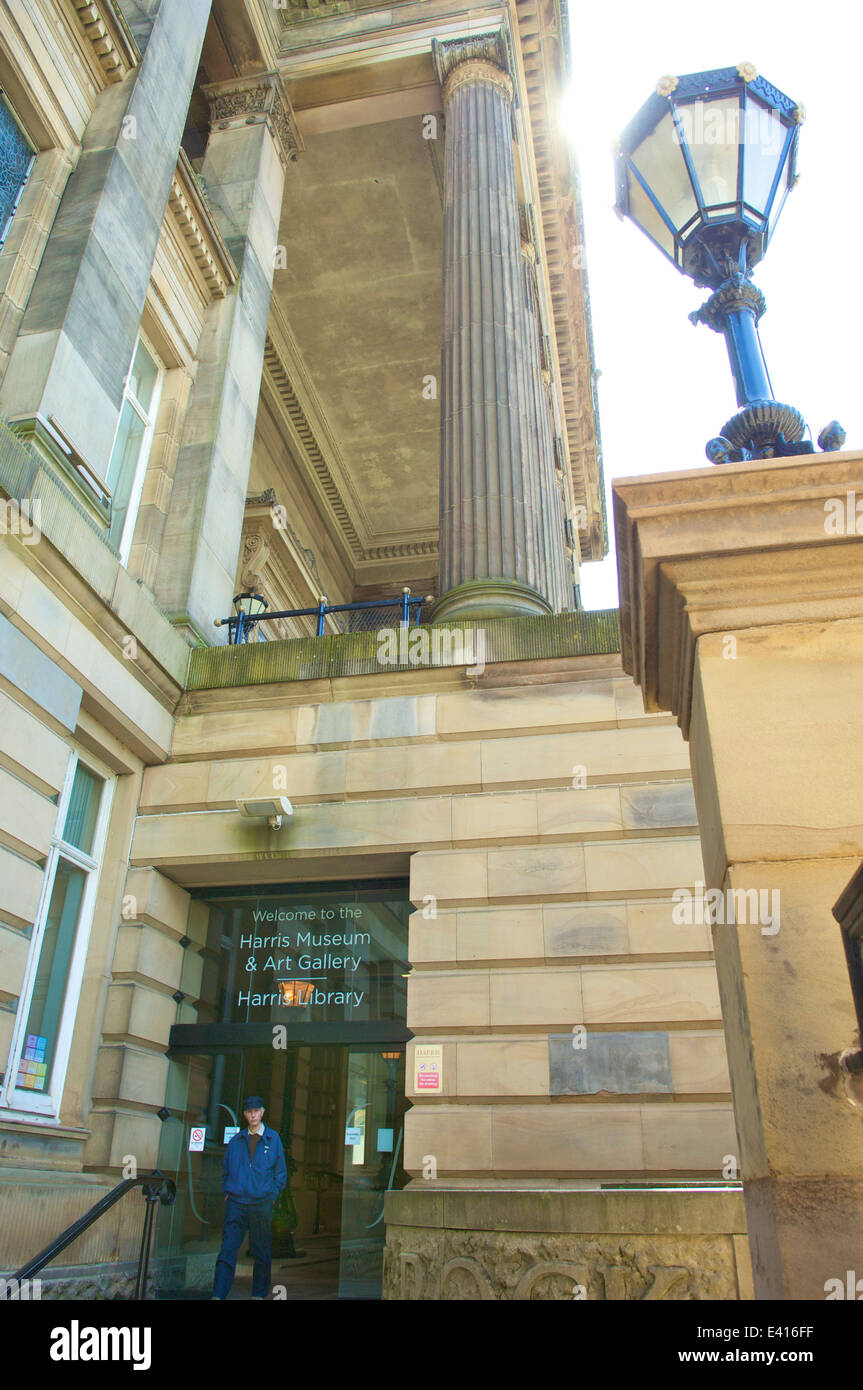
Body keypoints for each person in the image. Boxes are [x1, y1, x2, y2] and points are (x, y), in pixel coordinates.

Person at [211, 1096, 287, 1301]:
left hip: (261, 1204)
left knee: (261, 1252)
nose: (253, 1115)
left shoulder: (273, 1139)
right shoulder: (236, 1141)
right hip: (236, 1203)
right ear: (245, 1115)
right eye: (248, 1111)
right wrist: (228, 1192)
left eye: (256, 1111)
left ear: (262, 1112)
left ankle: (258, 1295)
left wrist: (271, 1197)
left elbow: (280, 1173)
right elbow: (226, 1169)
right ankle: (218, 1295)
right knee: (227, 1250)